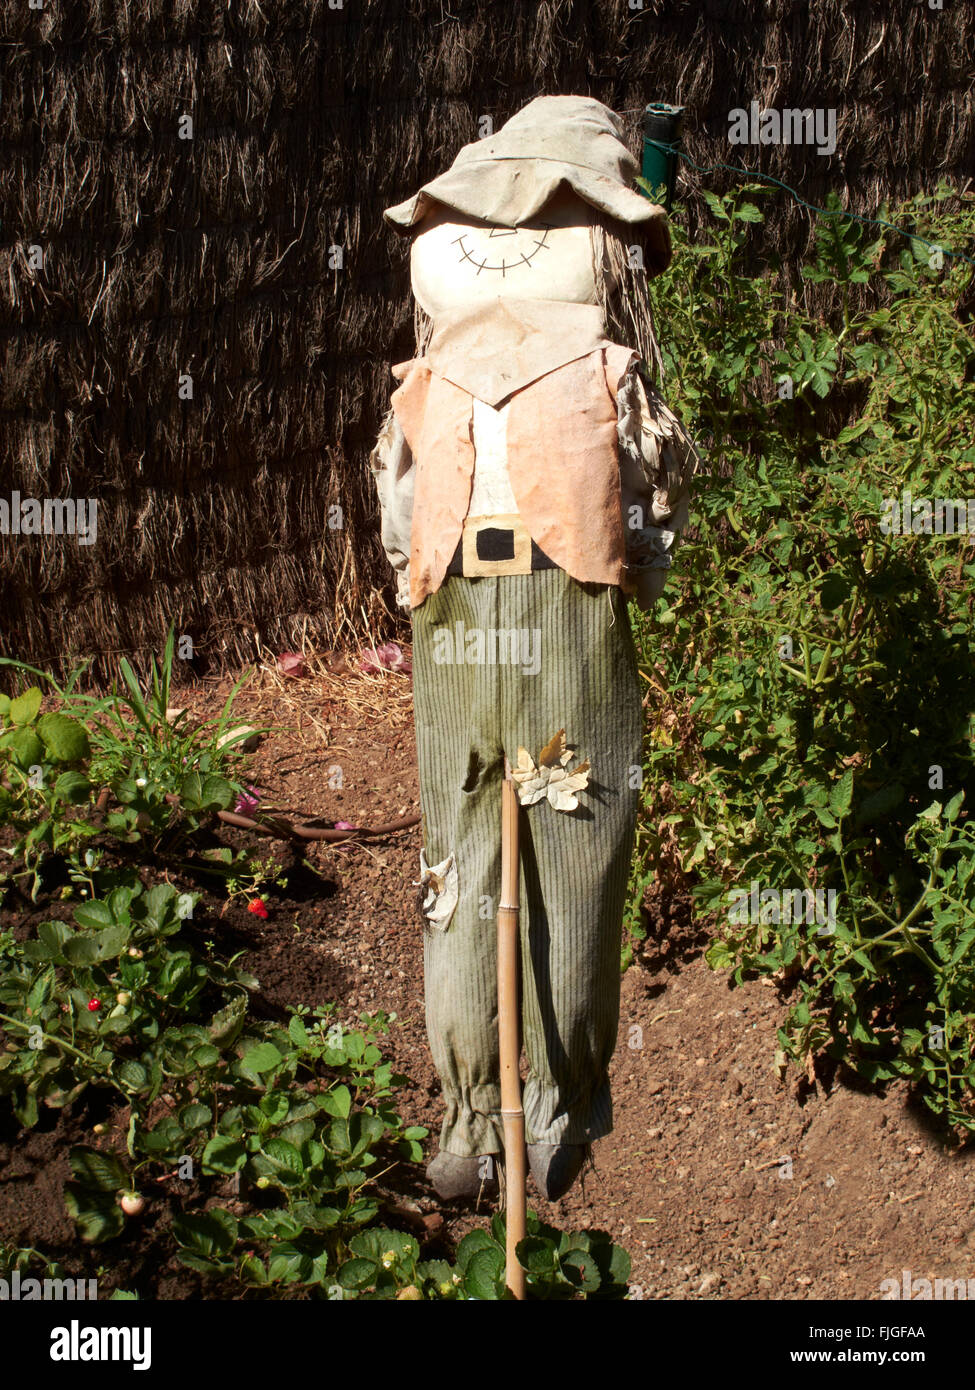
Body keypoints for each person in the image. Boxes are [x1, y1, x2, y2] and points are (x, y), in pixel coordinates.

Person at [370, 95, 697, 1201]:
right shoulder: (439, 375)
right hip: (472, 611)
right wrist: (648, 557)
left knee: (572, 841)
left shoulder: (578, 361)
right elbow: (656, 491)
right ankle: (475, 1112)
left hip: (547, 609)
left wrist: (638, 552)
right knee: (466, 855)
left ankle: (548, 1105)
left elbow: (392, 503)